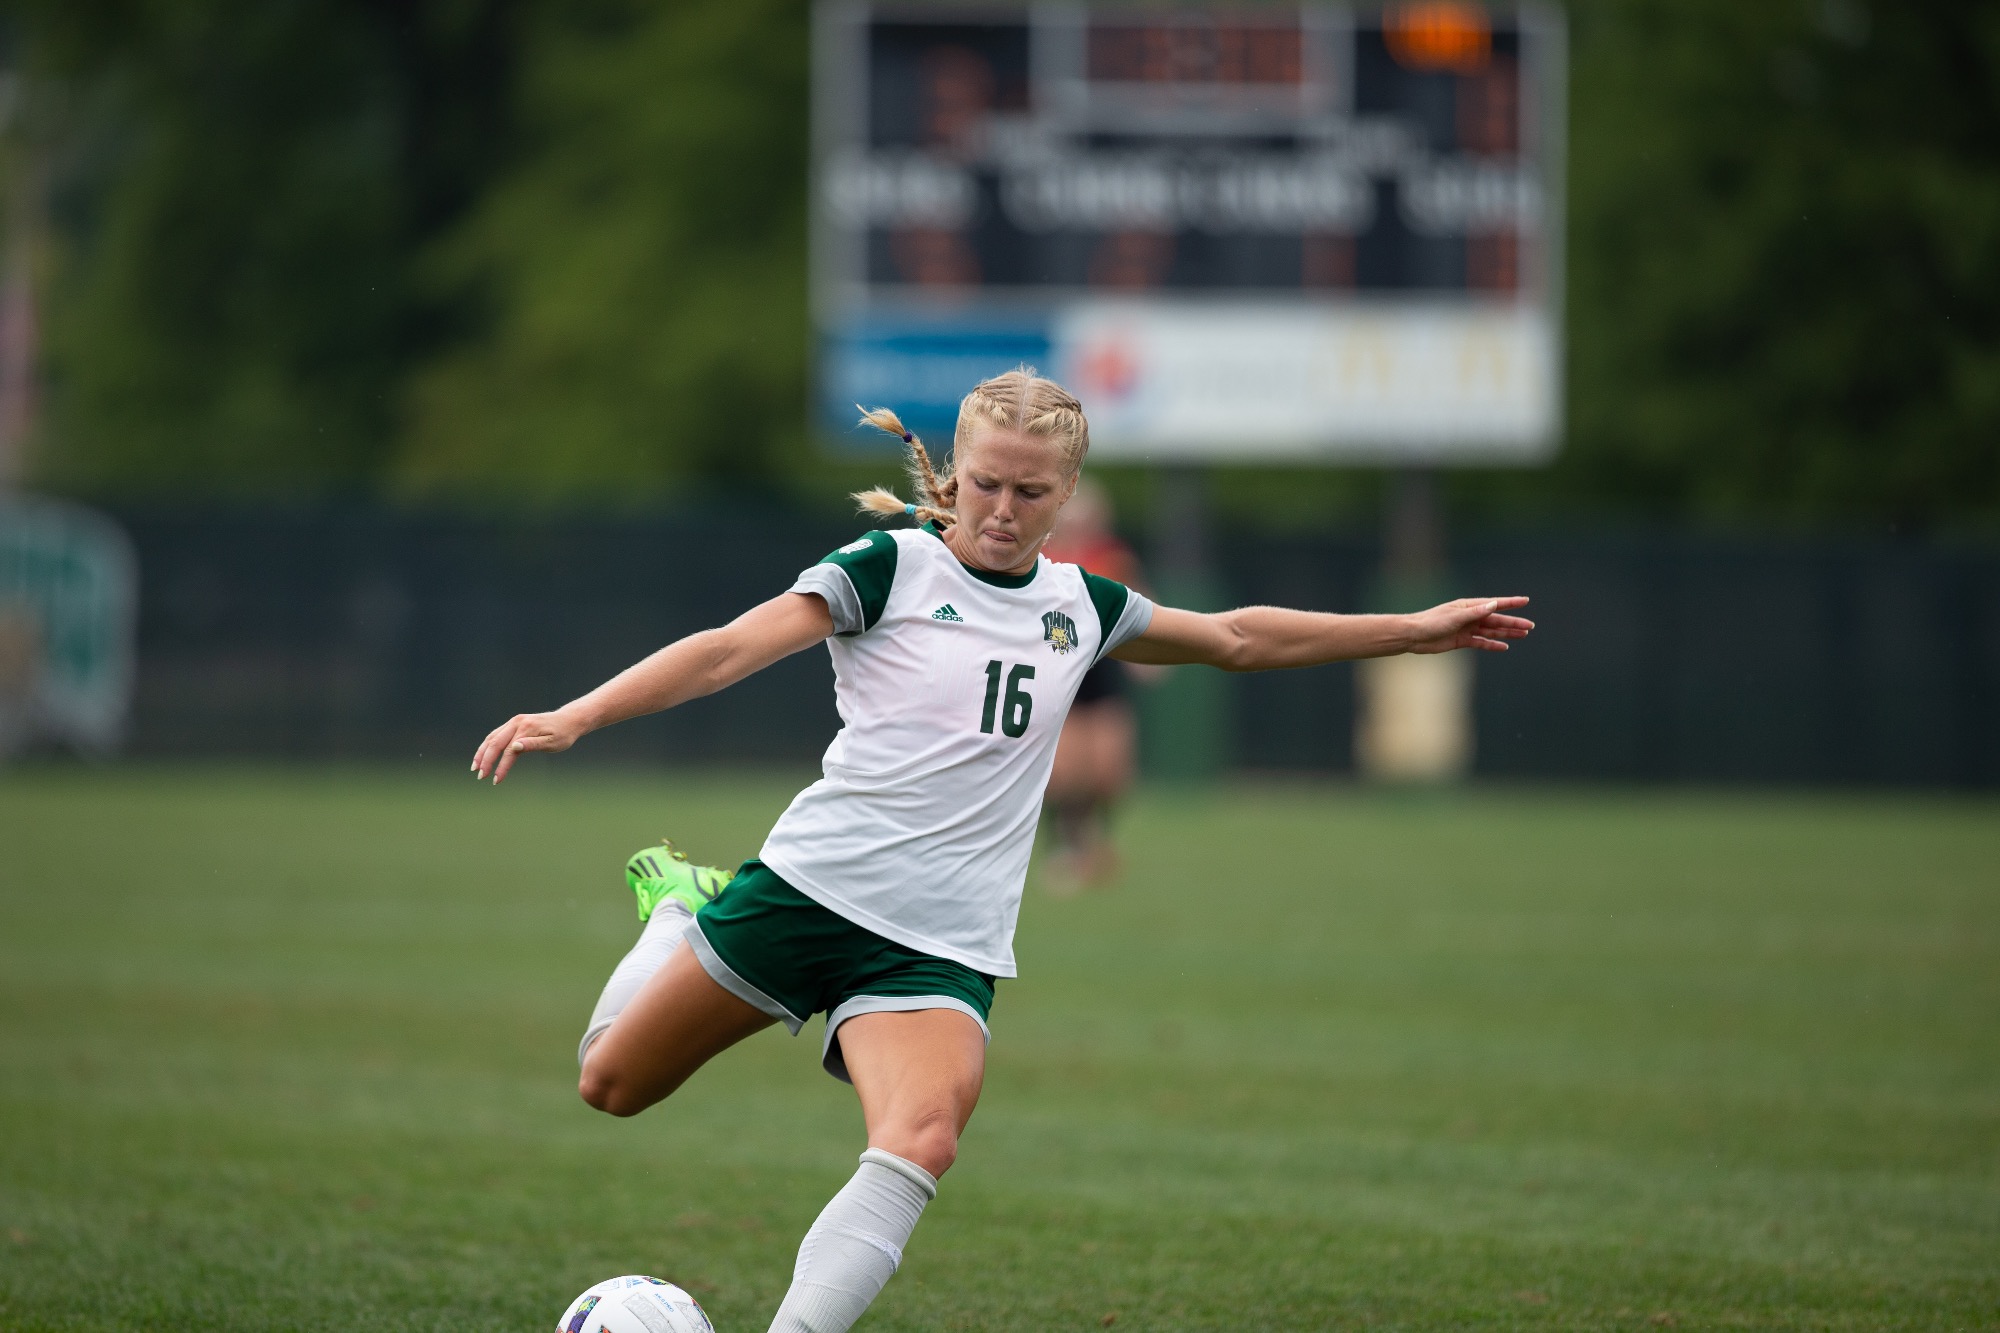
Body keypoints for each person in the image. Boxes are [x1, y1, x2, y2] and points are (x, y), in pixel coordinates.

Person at [471, 369, 1532, 1333]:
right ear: (955, 473)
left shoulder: (1083, 605)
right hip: (809, 891)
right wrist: (576, 715)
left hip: (938, 945)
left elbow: (1236, 638)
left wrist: (1411, 629)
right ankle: (678, 913)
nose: (1002, 509)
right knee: (610, 1083)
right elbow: (725, 651)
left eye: (1031, 491)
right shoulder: (888, 567)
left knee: (920, 1140)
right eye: (985, 483)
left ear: (1066, 496)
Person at [1038, 478, 1152, 891]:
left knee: (1108, 771)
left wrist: (1148, 659)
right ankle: (1068, 849)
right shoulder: (1044, 558)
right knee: (1065, 773)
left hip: (1104, 672)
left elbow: (1139, 604)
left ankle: (1095, 842)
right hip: (1061, 674)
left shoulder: (1113, 558)